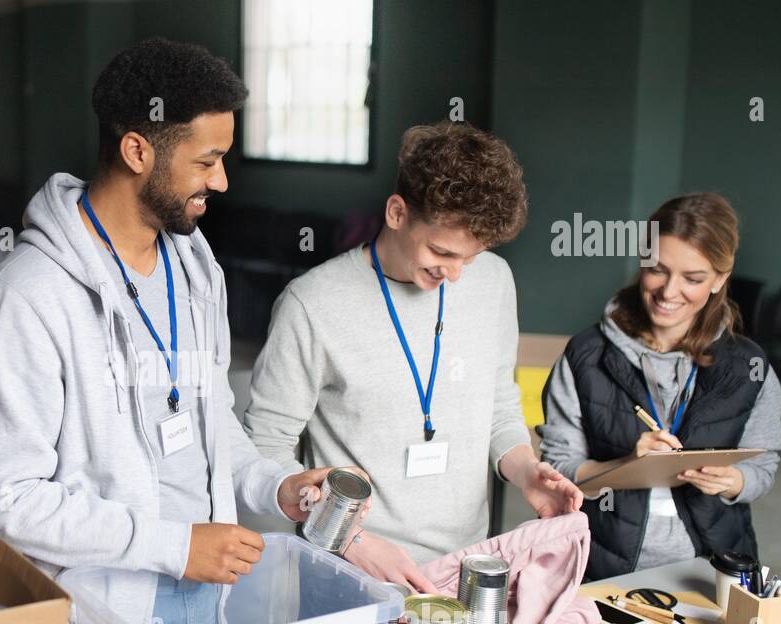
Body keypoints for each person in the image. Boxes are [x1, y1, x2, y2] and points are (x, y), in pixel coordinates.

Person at [0, 38, 348, 624]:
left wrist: (274, 487)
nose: (222, 182)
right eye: (207, 161)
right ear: (138, 150)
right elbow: (6, 499)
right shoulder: (30, 294)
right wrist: (175, 545)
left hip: (205, 609)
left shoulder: (197, 268)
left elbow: (208, 422)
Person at [245, 121, 582, 591]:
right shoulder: (312, 303)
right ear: (397, 212)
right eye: (441, 251)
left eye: (472, 256)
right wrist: (350, 539)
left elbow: (499, 405)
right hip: (349, 571)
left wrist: (525, 472)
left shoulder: (494, 280)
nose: (457, 274)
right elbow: (264, 446)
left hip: (466, 569)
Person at [540, 192, 781, 579]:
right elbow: (557, 465)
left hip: (714, 564)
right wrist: (625, 466)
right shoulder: (584, 354)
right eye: (657, 269)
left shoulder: (749, 365)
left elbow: (763, 464)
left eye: (693, 278)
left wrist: (735, 480)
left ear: (720, 278)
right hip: (601, 563)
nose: (669, 292)